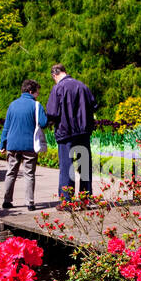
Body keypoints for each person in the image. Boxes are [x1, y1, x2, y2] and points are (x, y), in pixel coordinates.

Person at [45, 64, 97, 205]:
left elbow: (52, 112)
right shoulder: (82, 86)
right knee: (84, 166)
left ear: (54, 75)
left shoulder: (58, 88)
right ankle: (86, 198)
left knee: (67, 167)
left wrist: (47, 124)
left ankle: (67, 201)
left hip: (66, 132)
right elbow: (94, 105)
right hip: (83, 132)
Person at [0, 79, 48, 211]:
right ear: (31, 91)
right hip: (29, 145)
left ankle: (7, 201)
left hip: (12, 144)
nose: (38, 95)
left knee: (11, 172)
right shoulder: (36, 105)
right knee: (29, 174)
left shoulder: (12, 105)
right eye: (37, 92)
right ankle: (30, 203)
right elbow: (43, 123)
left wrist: (2, 143)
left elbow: (6, 127)